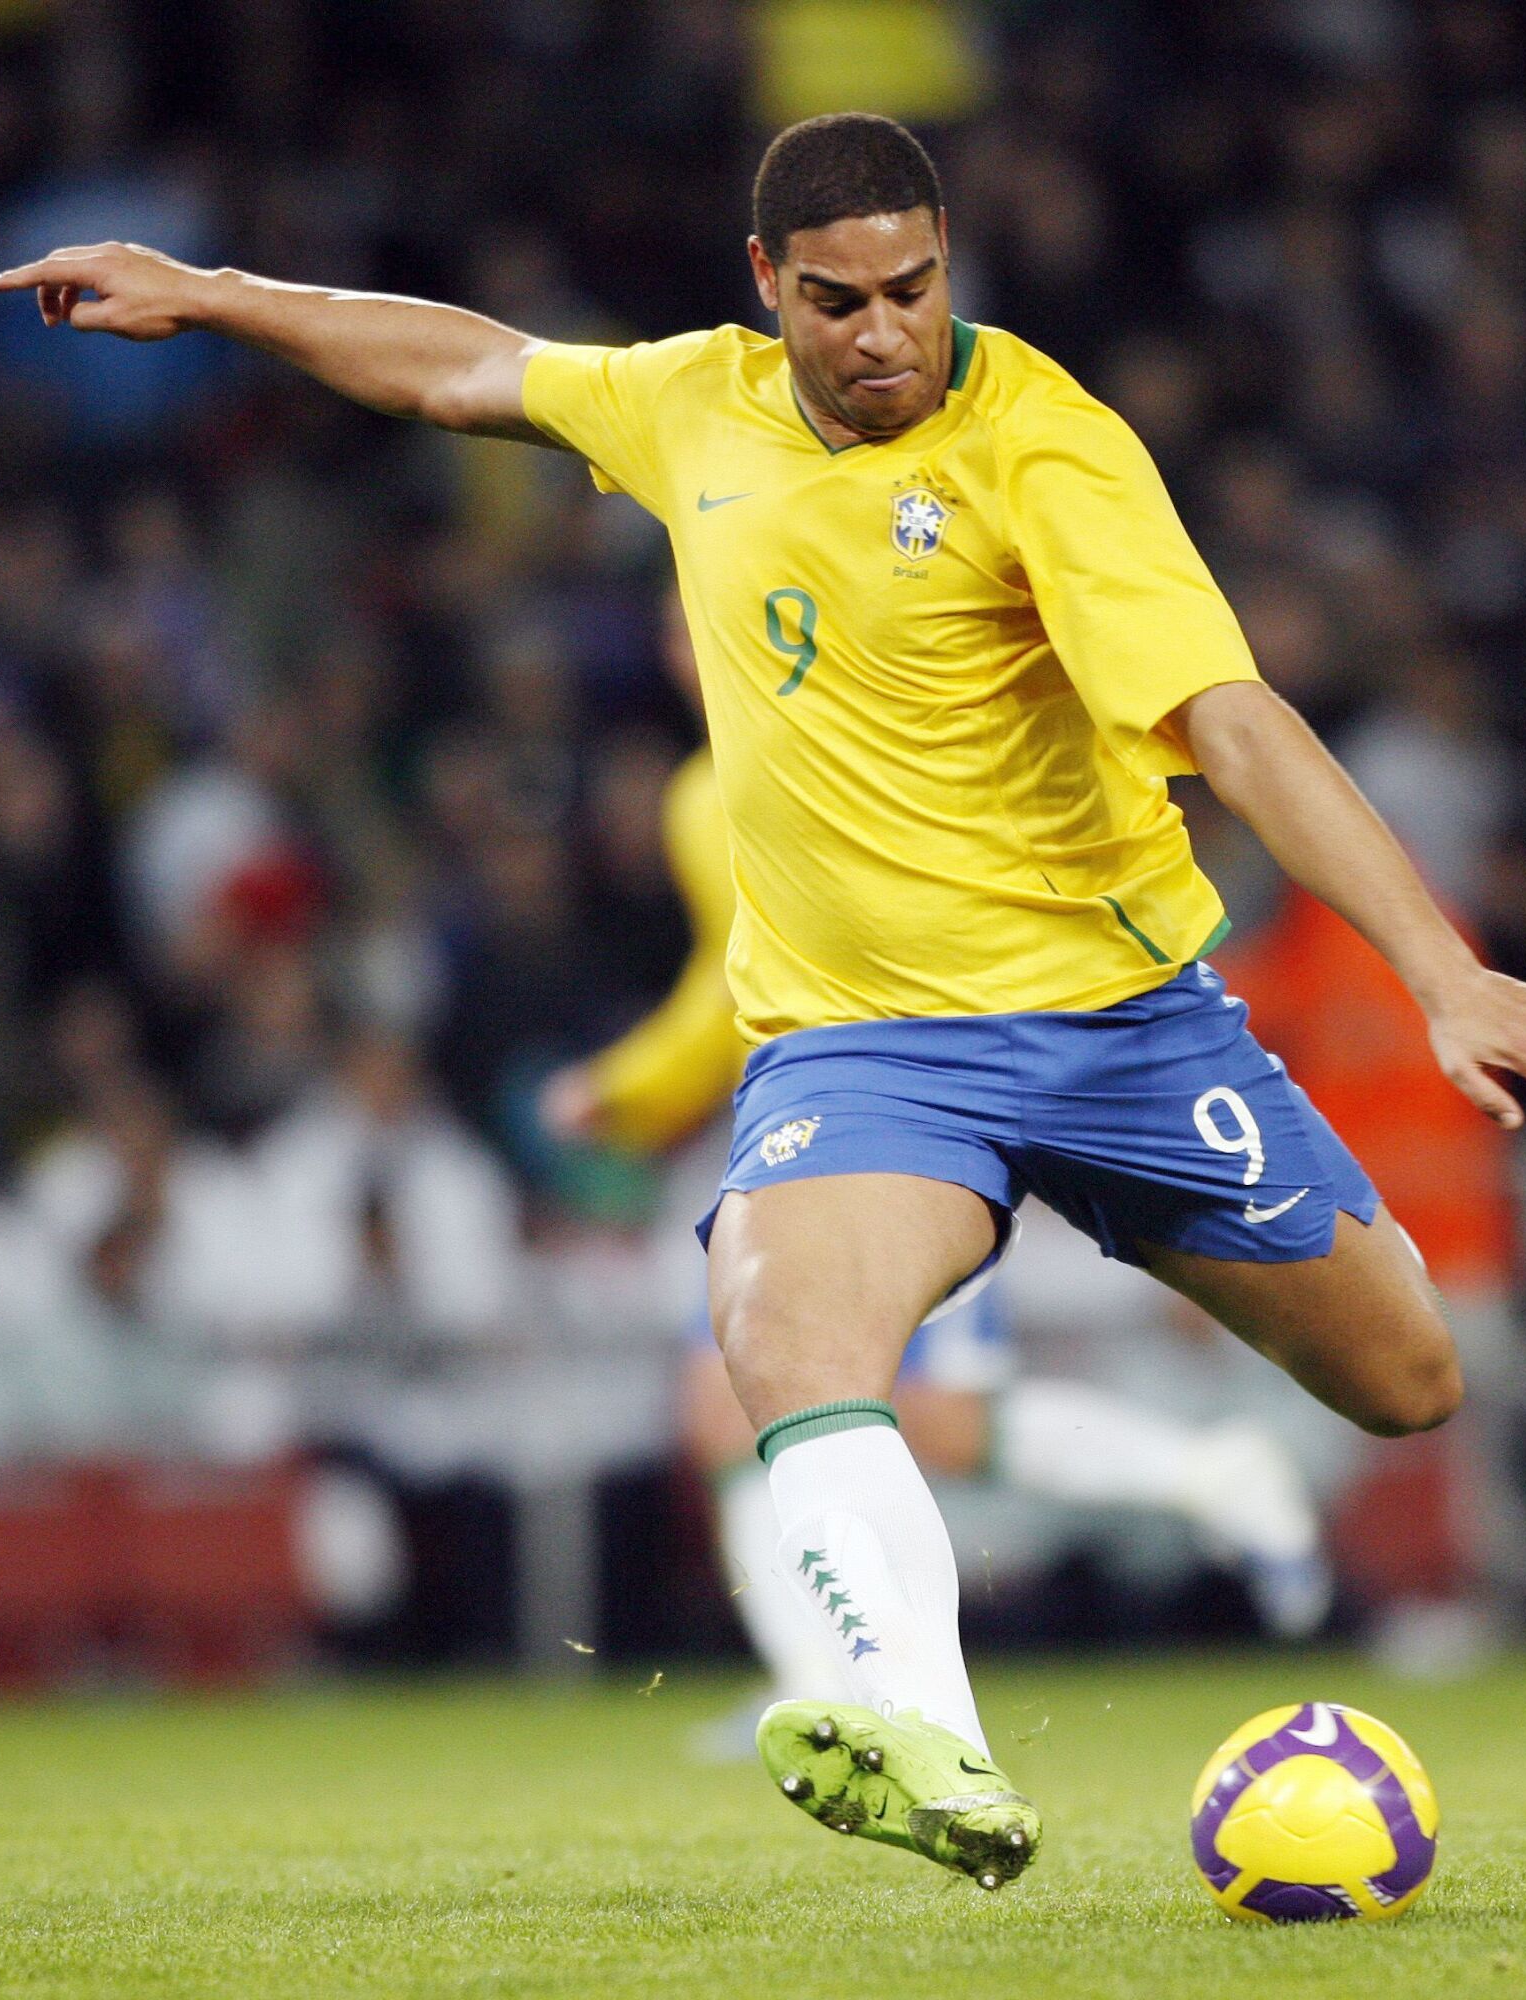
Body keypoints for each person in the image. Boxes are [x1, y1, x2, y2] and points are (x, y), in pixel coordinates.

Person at [0, 111, 1526, 1893]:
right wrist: (220, 296)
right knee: (774, 1333)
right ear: (768, 285)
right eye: (841, 299)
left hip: (1128, 1025)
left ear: (952, 269)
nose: (884, 335)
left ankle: (1195, 1488)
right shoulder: (692, 401)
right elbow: (464, 366)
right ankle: (933, 1740)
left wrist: (1441, 967)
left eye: (916, 291)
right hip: (871, 1056)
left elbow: (1232, 719)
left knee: (1408, 1381)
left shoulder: (1052, 450)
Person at [539, 593, 1334, 1759]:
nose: (695, 648)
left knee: (904, 1415)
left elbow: (730, 992)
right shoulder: (706, 791)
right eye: (677, 628)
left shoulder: (869, 749)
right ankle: (825, 1684)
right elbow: (740, 976)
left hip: (931, 1110)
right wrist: (646, 1090)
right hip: (820, 1114)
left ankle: (1203, 1473)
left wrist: (635, 1085)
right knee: (747, 1403)